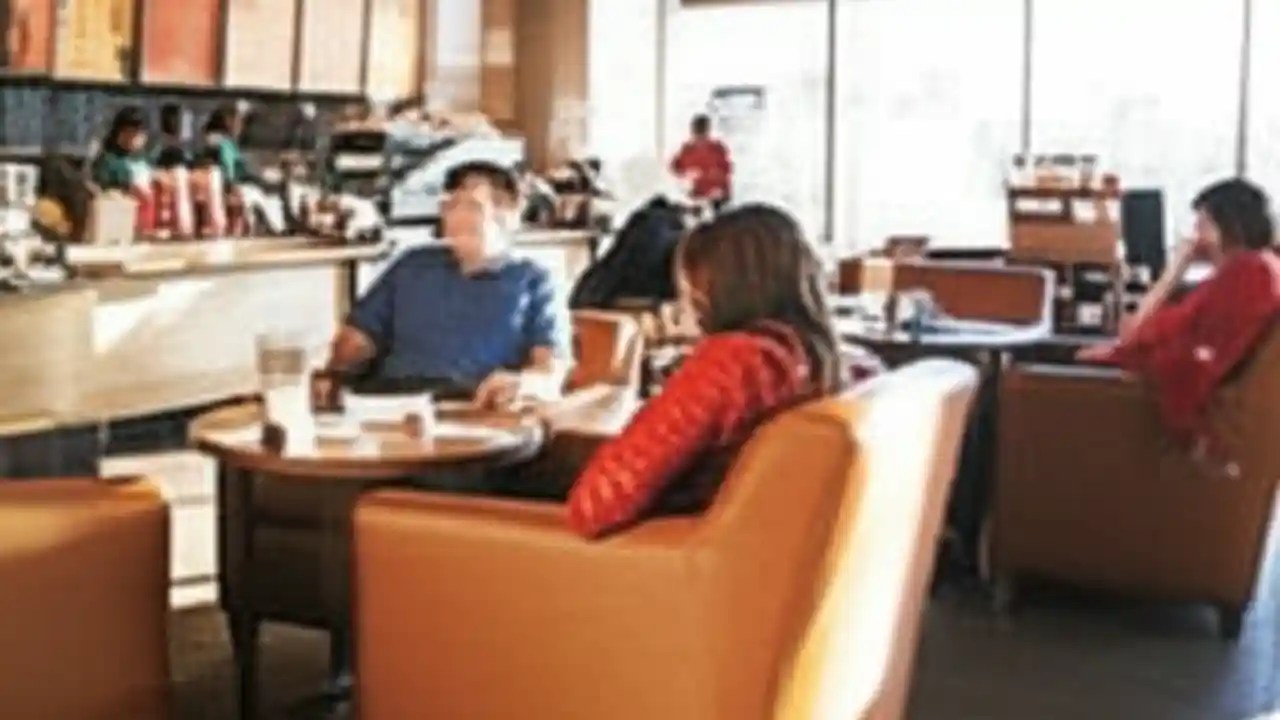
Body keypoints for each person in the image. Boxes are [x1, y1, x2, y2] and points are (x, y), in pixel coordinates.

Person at [566, 204, 877, 538]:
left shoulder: (731, 363)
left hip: (668, 554)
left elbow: (594, 506)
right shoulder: (842, 365)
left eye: (688, 291)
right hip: (754, 548)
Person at [321, 160, 572, 409]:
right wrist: (333, 373)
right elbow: (355, 342)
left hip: (476, 405)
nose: (457, 216)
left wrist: (524, 384)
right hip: (395, 400)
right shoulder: (412, 265)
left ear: (510, 213)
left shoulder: (534, 281)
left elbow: (550, 371)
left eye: (472, 207)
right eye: (450, 205)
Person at [1078, 178, 1280, 457]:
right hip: (1137, 381)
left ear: (1229, 227)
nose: (1195, 237)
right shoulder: (1254, 271)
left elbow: (1137, 337)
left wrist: (1177, 267)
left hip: (1134, 399)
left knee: (1023, 375)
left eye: (1202, 225)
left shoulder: (1246, 276)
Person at [670, 114, 733, 213]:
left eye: (701, 132)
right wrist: (688, 177)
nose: (700, 137)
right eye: (698, 132)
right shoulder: (687, 150)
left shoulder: (717, 148)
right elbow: (675, 169)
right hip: (694, 198)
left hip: (715, 198)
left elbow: (727, 171)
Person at [91, 106, 151, 192]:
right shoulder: (108, 162)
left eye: (139, 132)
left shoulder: (146, 158)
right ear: (119, 133)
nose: (134, 137)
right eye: (129, 131)